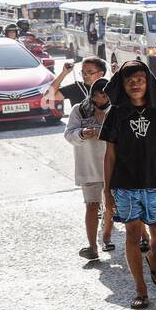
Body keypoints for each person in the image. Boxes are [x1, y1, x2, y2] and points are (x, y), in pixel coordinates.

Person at [100, 61, 156, 310]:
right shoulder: (115, 113)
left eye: (140, 79)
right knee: (133, 235)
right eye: (129, 80)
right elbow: (110, 154)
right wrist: (107, 190)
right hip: (124, 184)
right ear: (122, 85)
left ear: (148, 83)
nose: (135, 84)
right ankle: (140, 288)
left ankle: (153, 255)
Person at [65, 77, 111, 261]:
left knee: (112, 206)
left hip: (113, 166)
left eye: (105, 93)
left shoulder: (117, 110)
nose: (101, 98)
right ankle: (93, 246)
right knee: (92, 206)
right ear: (91, 95)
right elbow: (69, 134)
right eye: (98, 94)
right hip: (89, 166)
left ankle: (106, 237)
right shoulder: (80, 110)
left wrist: (104, 129)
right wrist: (82, 133)